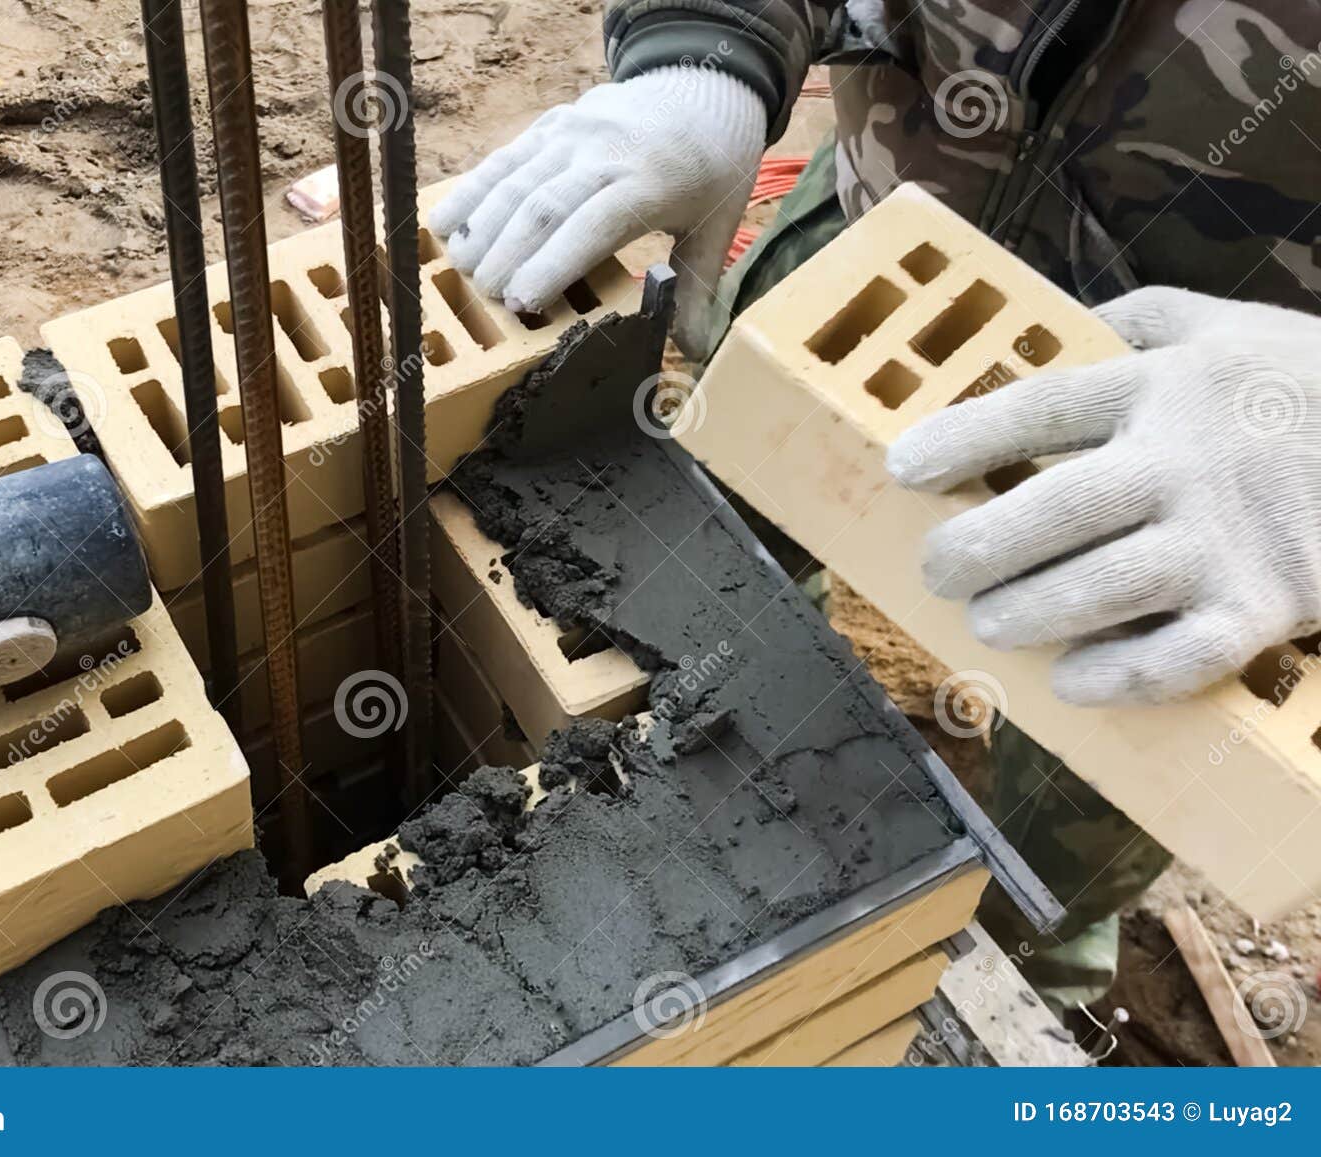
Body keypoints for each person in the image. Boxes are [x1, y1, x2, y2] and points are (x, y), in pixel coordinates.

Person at [428, 1, 1321, 1010]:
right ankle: (749, 720)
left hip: (1228, 434)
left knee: (1126, 723)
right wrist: (708, 51)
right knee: (702, 542)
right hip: (889, 223)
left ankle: (1005, 951)